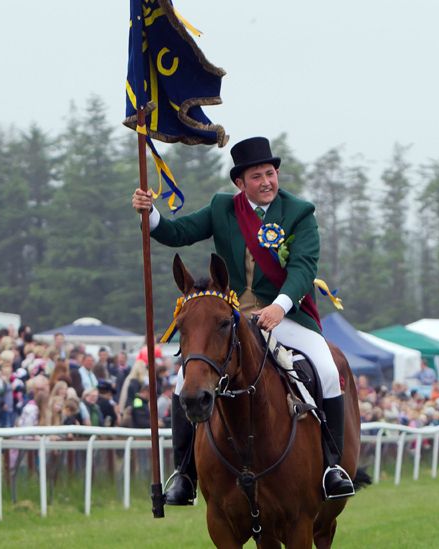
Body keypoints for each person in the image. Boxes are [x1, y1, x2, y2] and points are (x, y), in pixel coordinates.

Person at [132, 136, 355, 502]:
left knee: (328, 371)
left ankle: (332, 466)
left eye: (270, 173)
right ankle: (185, 475)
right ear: (240, 182)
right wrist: (150, 213)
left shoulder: (299, 213)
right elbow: (179, 232)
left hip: (286, 315)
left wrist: (279, 306)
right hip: (234, 319)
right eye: (257, 176)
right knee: (180, 382)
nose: (266, 181)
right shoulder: (223, 209)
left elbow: (302, 268)